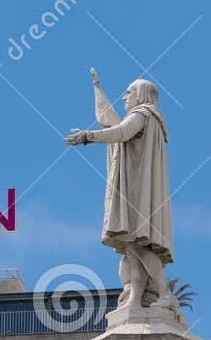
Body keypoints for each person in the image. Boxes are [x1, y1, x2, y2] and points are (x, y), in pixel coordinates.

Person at [64, 68, 175, 313]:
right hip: (139, 192)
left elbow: (120, 132)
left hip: (138, 193)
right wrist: (97, 89)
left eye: (129, 92)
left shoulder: (143, 114)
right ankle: (136, 299)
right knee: (133, 248)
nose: (124, 96)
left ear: (142, 95)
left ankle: (165, 293)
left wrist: (88, 136)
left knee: (138, 245)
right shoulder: (147, 119)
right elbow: (111, 120)